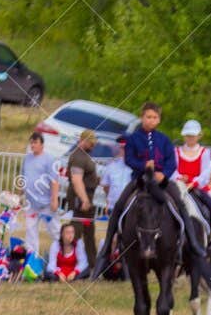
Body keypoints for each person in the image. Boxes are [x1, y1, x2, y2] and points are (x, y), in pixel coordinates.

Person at [94, 102, 178, 277]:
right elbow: (129, 160)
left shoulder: (164, 139)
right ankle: (107, 246)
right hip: (140, 180)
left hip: (161, 182)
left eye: (155, 117)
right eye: (148, 117)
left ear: (159, 120)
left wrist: (164, 174)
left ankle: (191, 240)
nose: (151, 120)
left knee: (181, 204)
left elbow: (172, 161)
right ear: (142, 118)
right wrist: (143, 166)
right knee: (119, 206)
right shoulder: (133, 139)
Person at [173, 120, 211, 262]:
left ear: (198, 136)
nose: (190, 138)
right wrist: (180, 178)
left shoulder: (204, 152)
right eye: (188, 135)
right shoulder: (177, 151)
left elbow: (205, 173)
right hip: (179, 188)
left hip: (196, 189)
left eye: (193, 135)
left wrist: (193, 182)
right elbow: (173, 170)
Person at [20, 131, 59, 260]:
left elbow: (54, 181)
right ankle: (32, 261)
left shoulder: (49, 159)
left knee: (55, 231)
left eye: (35, 142)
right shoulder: (27, 158)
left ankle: (61, 256)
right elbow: (23, 178)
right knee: (30, 231)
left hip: (47, 203)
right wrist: (20, 195)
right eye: (31, 142)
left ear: (42, 144)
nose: (32, 145)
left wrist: (54, 200)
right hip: (31, 204)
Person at [65, 129, 100, 264]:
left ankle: (92, 265)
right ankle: (68, 263)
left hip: (86, 200)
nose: (93, 145)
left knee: (89, 233)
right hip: (80, 200)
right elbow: (76, 180)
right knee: (74, 234)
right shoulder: (78, 157)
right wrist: (84, 199)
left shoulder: (84, 155)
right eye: (91, 143)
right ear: (82, 140)